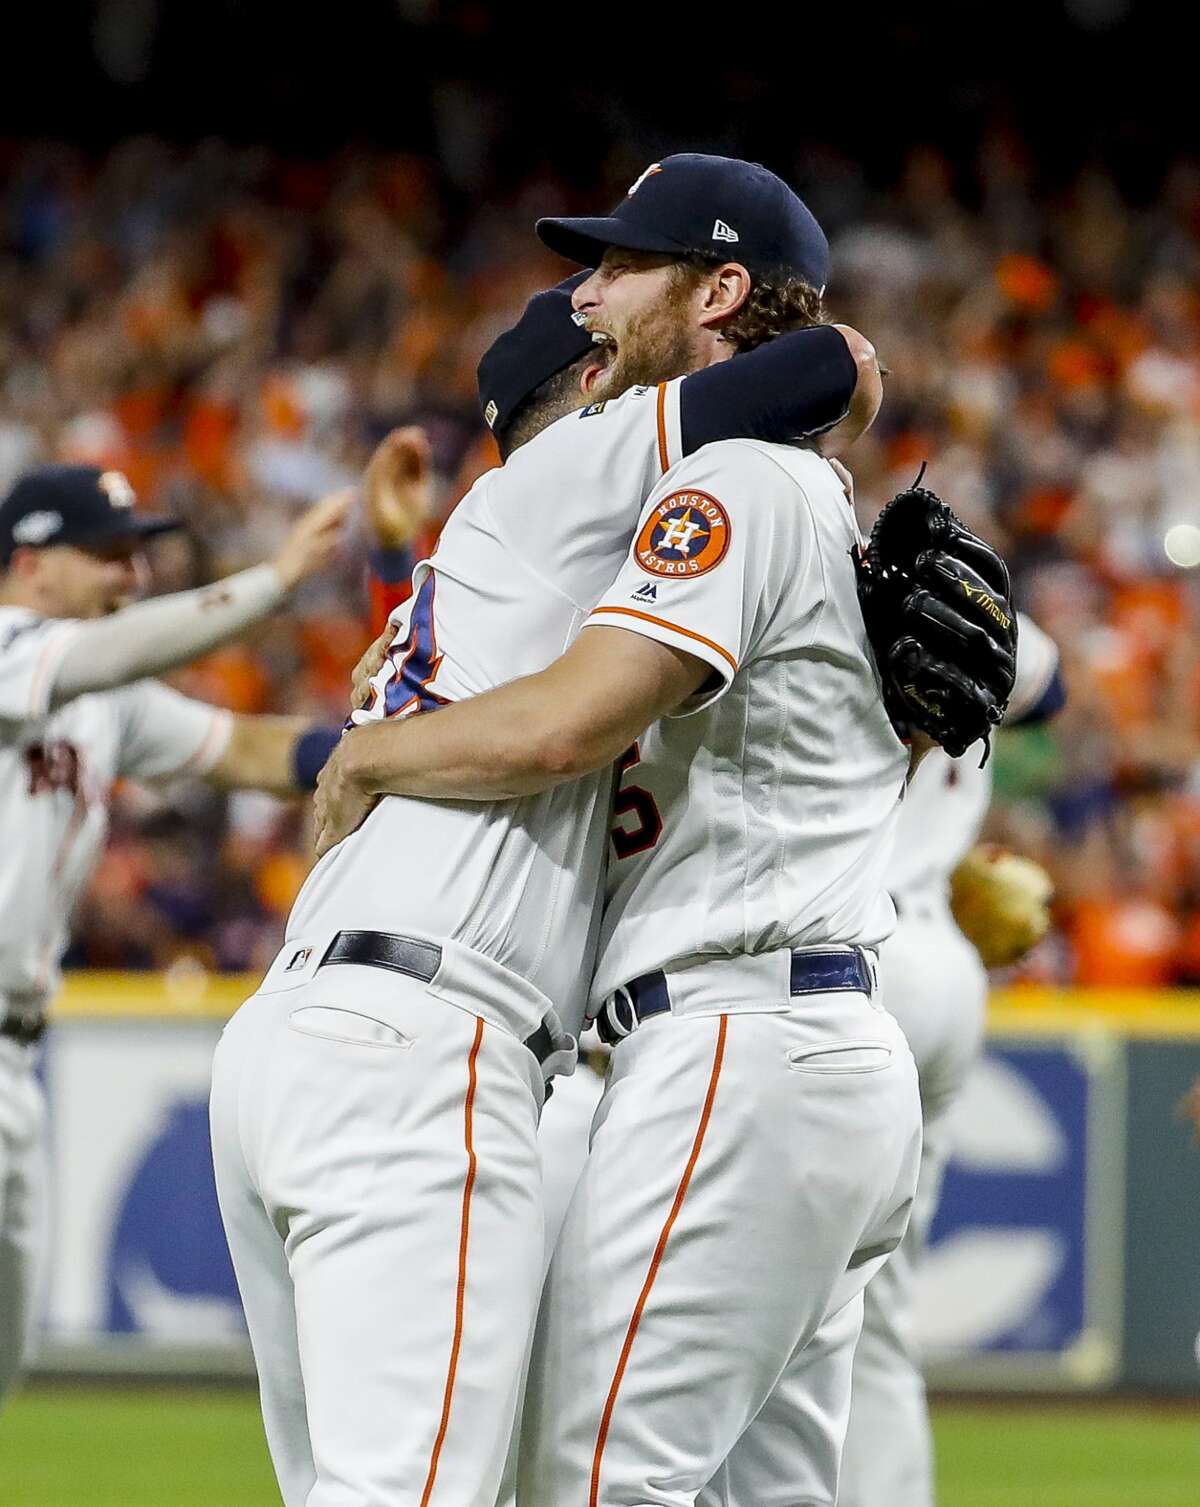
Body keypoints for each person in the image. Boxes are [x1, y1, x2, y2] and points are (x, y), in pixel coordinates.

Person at [211, 153, 883, 1507]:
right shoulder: (586, 469)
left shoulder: (498, 548)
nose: (590, 301)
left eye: (617, 269)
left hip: (305, 1032)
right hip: (421, 1035)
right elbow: (834, 366)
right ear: (577, 402)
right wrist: (369, 753)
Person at [0, 463, 349, 1408]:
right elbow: (107, 657)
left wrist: (394, 734)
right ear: (29, 563)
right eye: (109, 554)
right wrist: (275, 580)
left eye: (137, 554)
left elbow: (248, 750)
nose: (131, 575)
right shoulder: (12, 645)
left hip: (19, 1057)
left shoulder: (102, 696)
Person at [839, 614, 1063, 1507]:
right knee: (878, 1324)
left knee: (776, 1309)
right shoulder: (958, 581)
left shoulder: (786, 559)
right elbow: (1051, 690)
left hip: (846, 950)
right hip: (940, 963)